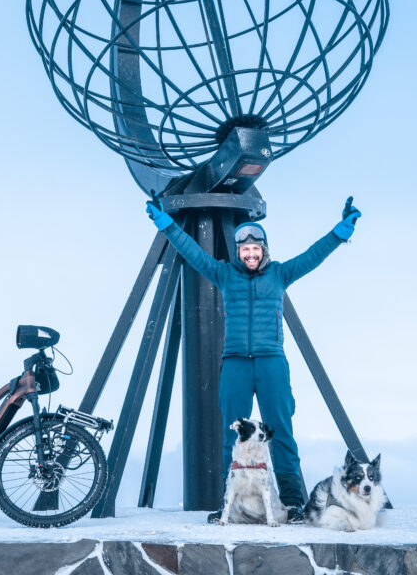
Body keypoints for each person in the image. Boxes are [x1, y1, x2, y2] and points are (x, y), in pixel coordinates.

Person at [145, 195, 363, 524]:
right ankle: (229, 506)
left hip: (272, 362)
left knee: (282, 433)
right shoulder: (224, 274)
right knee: (232, 436)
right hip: (235, 364)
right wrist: (167, 225)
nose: (250, 254)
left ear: (264, 250)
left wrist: (340, 232)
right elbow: (192, 252)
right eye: (244, 249)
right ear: (238, 252)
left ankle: (292, 504)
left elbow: (312, 256)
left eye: (255, 249)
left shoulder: (279, 274)